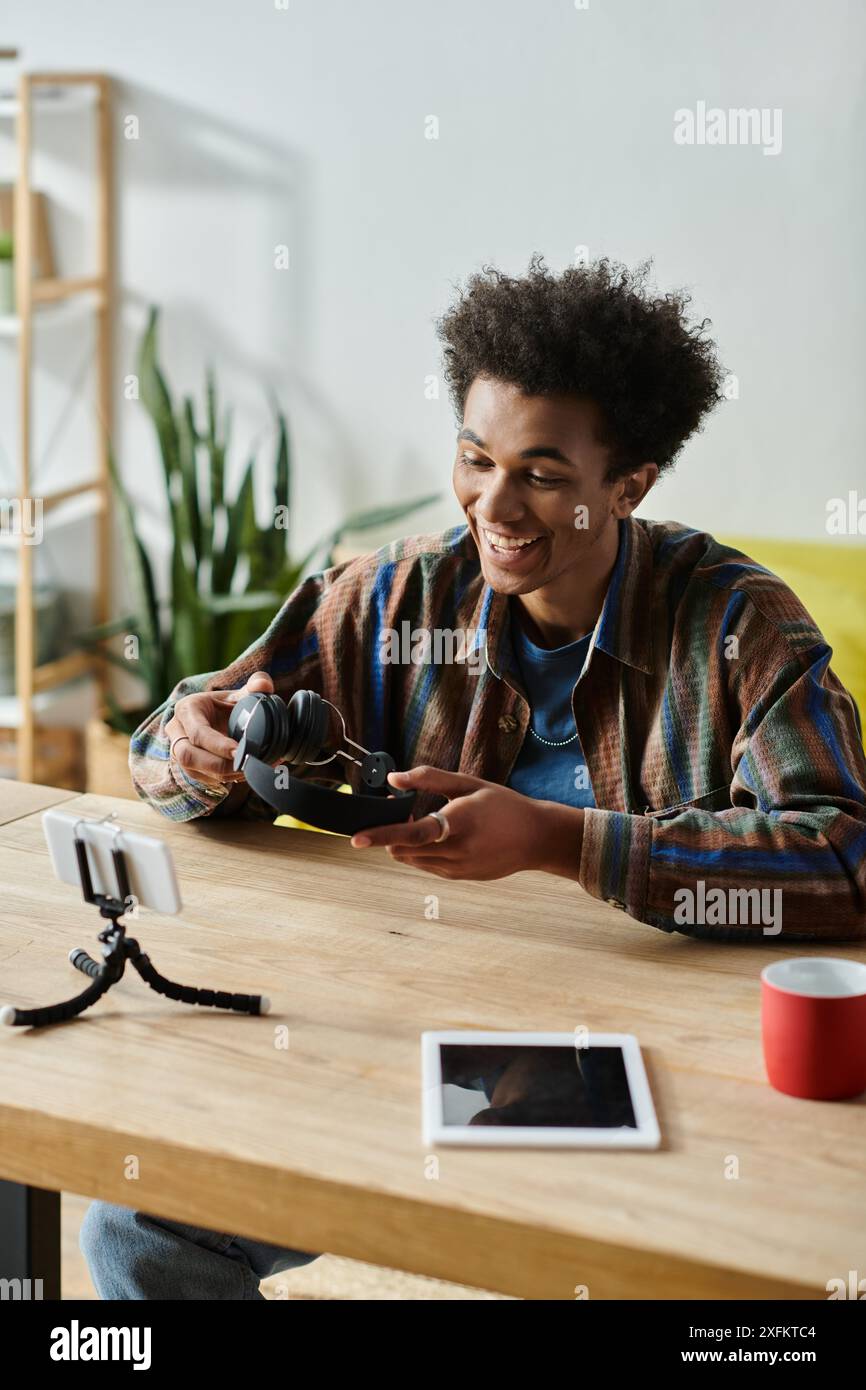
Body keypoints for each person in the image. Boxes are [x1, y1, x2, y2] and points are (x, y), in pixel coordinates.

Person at [81, 256, 866, 1299]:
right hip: (408, 1031)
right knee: (137, 1229)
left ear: (625, 486)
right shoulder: (397, 595)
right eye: (473, 456)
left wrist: (557, 838)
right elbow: (161, 742)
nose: (493, 502)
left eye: (541, 473)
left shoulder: (734, 624)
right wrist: (200, 748)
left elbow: (842, 854)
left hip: (662, 1076)